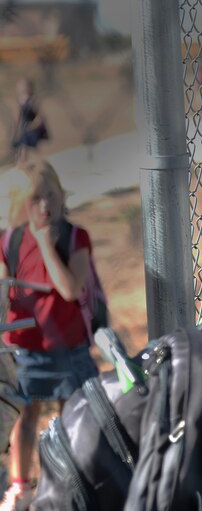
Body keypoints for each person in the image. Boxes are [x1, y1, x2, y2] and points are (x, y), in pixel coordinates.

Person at [0, 160, 99, 511]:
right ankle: (21, 487)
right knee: (24, 419)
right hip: (26, 350)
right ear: (20, 205)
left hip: (69, 347)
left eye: (51, 196)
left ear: (62, 196)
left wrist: (45, 245)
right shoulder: (10, 241)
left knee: (72, 416)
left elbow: (71, 289)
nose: (45, 205)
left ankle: (69, 482)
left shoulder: (75, 237)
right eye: (35, 199)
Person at [11, 79, 49, 161]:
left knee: (34, 147)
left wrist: (33, 125)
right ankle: (22, 163)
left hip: (32, 128)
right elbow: (17, 117)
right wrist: (16, 130)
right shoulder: (20, 100)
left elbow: (40, 116)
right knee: (23, 146)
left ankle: (42, 161)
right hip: (24, 128)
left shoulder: (33, 100)